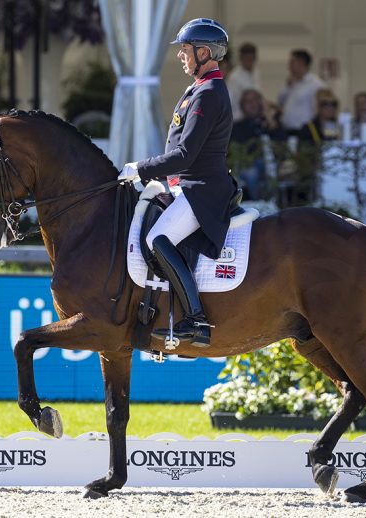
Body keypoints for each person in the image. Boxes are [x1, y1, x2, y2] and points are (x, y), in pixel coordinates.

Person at [116, 18, 235, 347]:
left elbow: (184, 155)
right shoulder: (197, 88)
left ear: (204, 52)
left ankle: (196, 319)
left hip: (202, 192)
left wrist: (140, 169)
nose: (181, 56)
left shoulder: (209, 93)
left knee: (157, 238)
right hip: (187, 186)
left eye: (186, 50)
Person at [231, 88, 285, 199]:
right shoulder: (237, 127)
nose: (252, 104)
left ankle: (273, 202)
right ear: (242, 106)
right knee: (252, 173)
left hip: (275, 165)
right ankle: (260, 205)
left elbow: (282, 142)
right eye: (247, 101)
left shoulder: (271, 122)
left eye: (255, 100)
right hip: (248, 165)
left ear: (261, 103)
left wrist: (269, 118)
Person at [277, 49, 325, 133]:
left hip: (304, 131)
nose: (289, 66)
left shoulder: (315, 84)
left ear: (301, 62)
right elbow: (281, 101)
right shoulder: (293, 83)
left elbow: (319, 110)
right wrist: (288, 86)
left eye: (292, 62)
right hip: (287, 129)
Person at [227, 42, 260, 121]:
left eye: (251, 59)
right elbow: (233, 102)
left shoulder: (256, 73)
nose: (249, 62)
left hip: (252, 117)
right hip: (238, 118)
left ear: (255, 58)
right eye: (247, 59)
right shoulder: (234, 77)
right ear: (241, 59)